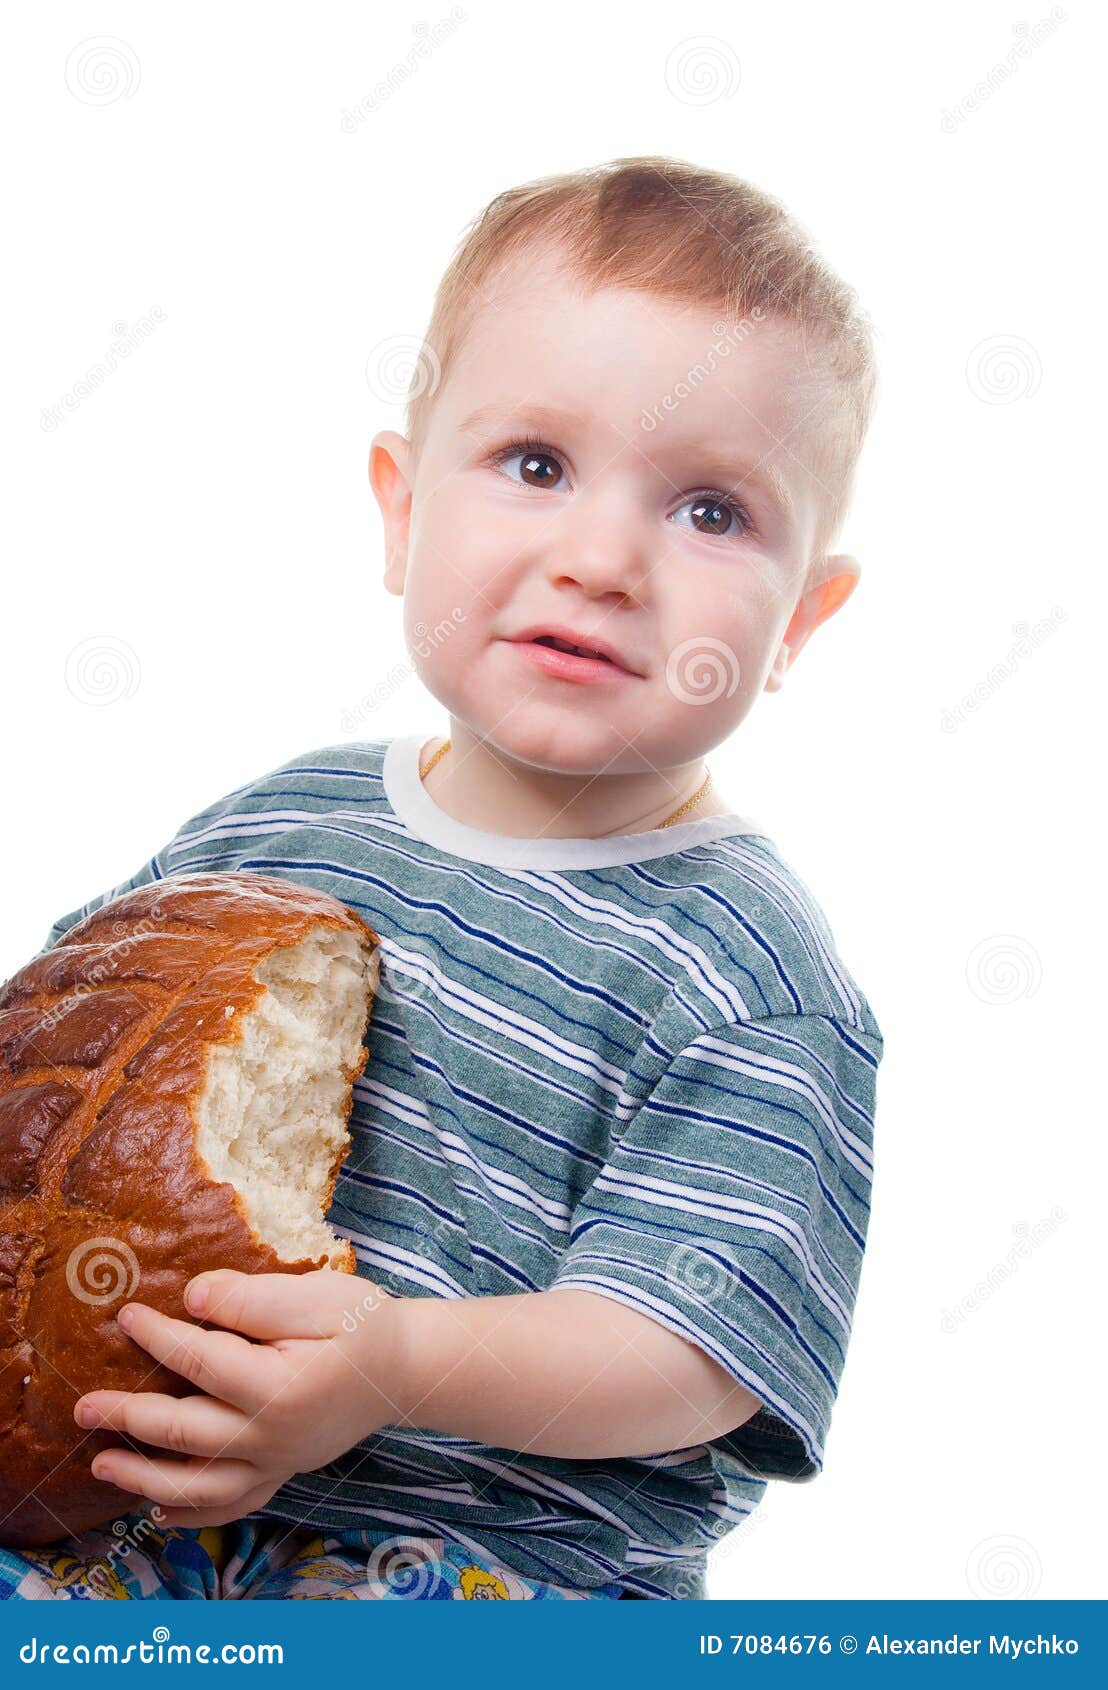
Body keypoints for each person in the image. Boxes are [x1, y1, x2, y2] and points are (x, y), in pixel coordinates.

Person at [0, 156, 883, 1602]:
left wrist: (396, 1362)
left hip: (484, 1577)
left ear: (802, 618)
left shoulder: (750, 970)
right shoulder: (285, 818)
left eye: (712, 511)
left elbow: (690, 1351)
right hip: (151, 1523)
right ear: (401, 511)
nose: (601, 558)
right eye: (536, 465)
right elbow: (57, 1045)